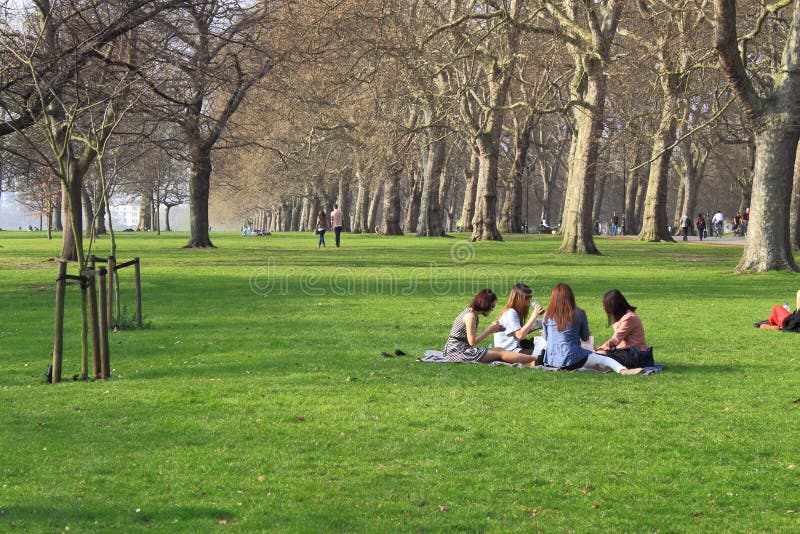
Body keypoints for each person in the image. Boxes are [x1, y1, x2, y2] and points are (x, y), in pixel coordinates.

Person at [540, 283, 642, 374]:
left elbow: (546, 337)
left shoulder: (547, 315)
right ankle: (623, 370)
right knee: (604, 360)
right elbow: (585, 337)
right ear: (571, 297)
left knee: (589, 357)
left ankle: (596, 367)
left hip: (551, 360)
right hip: (572, 358)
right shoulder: (579, 313)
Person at [443, 289, 538, 367]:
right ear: (485, 304)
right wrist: (489, 330)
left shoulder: (472, 314)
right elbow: (472, 342)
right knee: (500, 353)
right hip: (457, 352)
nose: (493, 309)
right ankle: (536, 358)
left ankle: (532, 361)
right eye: (492, 306)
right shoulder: (470, 316)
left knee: (499, 350)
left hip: (459, 349)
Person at [594, 289, 653, 368]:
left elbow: (616, 339)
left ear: (614, 306)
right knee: (599, 354)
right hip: (627, 352)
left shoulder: (629, 318)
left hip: (637, 355)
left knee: (599, 355)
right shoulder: (623, 317)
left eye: (606, 306)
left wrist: (601, 349)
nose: (604, 309)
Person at [493, 283, 544, 355]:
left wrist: (539, 323)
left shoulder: (512, 311)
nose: (529, 302)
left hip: (514, 345)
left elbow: (519, 331)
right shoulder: (511, 312)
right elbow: (520, 335)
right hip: (508, 350)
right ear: (520, 299)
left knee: (541, 344)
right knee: (541, 354)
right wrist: (534, 315)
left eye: (530, 298)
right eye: (527, 298)